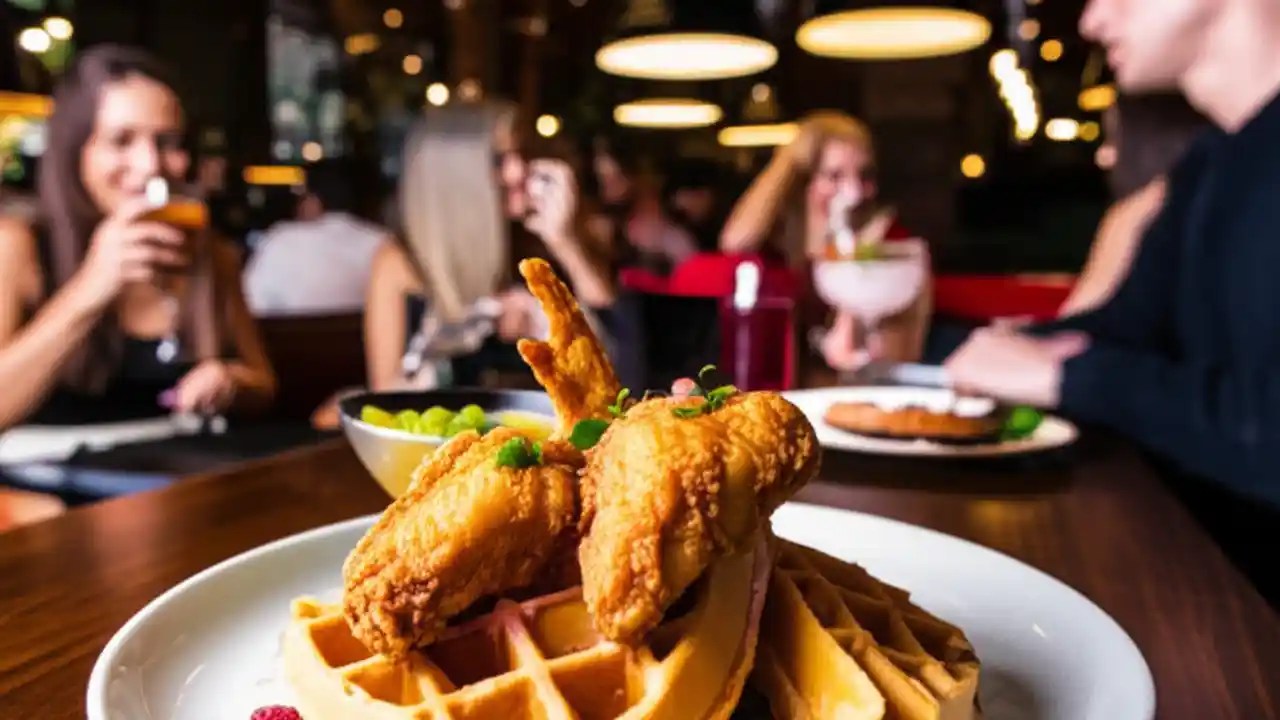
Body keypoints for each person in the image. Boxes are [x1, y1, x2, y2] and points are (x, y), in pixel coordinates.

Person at [945, 0, 1280, 598]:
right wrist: (939, 344)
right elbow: (1117, 331)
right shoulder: (1208, 165)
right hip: (1201, 589)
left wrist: (1071, 376)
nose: (1091, 21)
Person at [0, 45, 274, 432]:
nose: (150, 166)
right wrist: (93, 286)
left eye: (168, 143)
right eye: (121, 140)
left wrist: (231, 380)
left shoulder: (210, 251)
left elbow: (263, 385)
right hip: (49, 485)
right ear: (76, 151)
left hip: (184, 478)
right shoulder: (17, 245)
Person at [364, 104, 615, 393]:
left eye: (520, 154)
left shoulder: (536, 240)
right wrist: (480, 330)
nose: (518, 170)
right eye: (498, 160)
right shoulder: (398, 261)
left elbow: (615, 358)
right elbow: (385, 397)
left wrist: (566, 243)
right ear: (456, 178)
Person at [720, 111, 932, 371]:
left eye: (865, 175)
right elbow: (736, 240)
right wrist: (787, 161)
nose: (854, 192)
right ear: (801, 180)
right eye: (834, 176)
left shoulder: (891, 246)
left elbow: (898, 358)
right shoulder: (778, 246)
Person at [1059, 93, 1207, 315]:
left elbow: (1081, 322)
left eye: (1114, 140)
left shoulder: (1138, 213)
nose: (1103, 156)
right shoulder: (1226, 205)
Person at [242, 159, 390, 316]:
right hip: (366, 340)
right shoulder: (385, 244)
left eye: (302, 196)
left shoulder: (280, 240)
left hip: (293, 340)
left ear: (314, 201)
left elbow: (251, 308)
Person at [589, 137, 696, 276]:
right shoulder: (599, 231)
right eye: (601, 179)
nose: (606, 189)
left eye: (614, 178)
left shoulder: (675, 240)